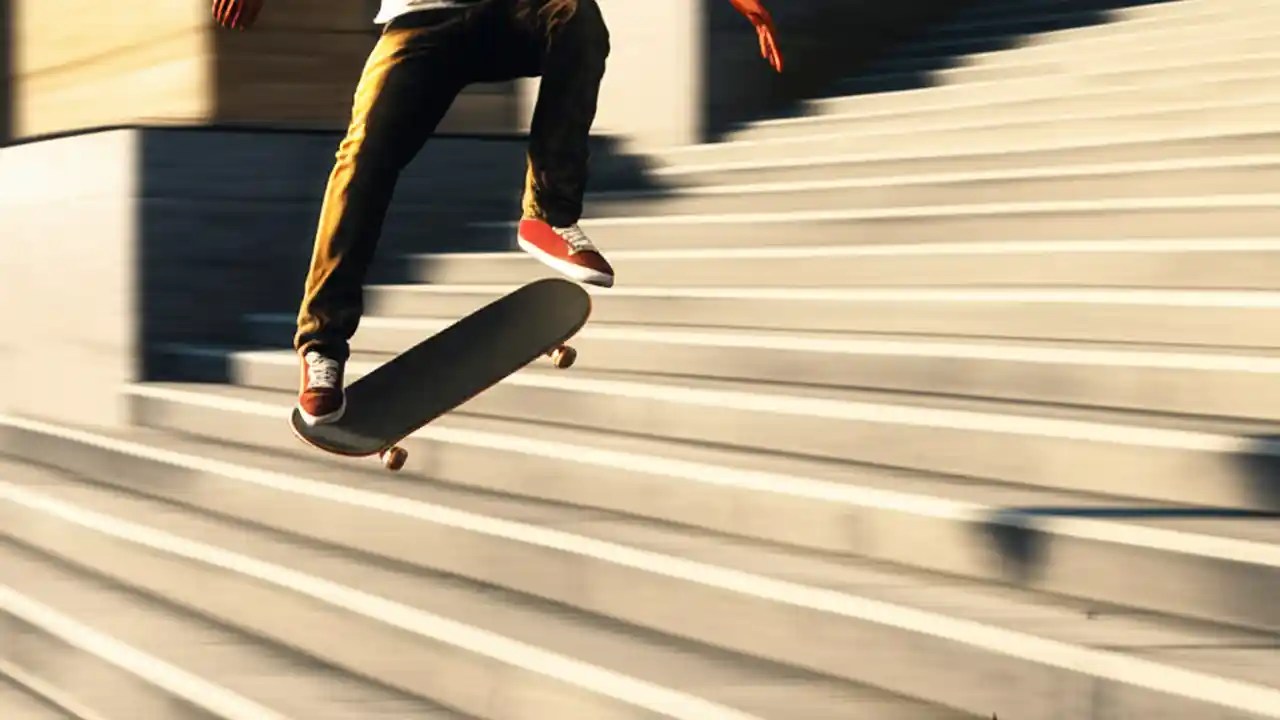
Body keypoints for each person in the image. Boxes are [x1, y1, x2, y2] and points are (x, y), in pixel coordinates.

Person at [212, 0, 783, 426]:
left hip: (509, 12)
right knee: (361, 159)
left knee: (577, 14)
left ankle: (549, 213)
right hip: (419, 24)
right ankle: (322, 346)